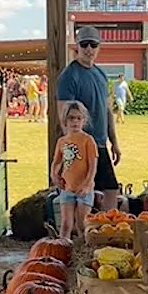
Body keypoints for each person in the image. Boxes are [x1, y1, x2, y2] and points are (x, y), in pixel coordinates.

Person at [57, 26, 122, 211]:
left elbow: (107, 110)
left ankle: (106, 224)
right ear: (77, 46)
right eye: (84, 44)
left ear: (99, 47)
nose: (89, 49)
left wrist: (114, 142)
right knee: (81, 192)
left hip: (100, 144)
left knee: (110, 189)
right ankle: (85, 228)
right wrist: (74, 149)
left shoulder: (100, 75)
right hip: (81, 147)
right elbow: (64, 116)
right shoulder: (69, 76)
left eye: (93, 44)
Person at [49, 101, 99, 241]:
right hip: (68, 188)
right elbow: (57, 162)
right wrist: (54, 175)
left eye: (78, 118)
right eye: (71, 118)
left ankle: (83, 249)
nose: (75, 122)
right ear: (65, 120)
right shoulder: (62, 141)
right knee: (65, 224)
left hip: (84, 189)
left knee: (82, 224)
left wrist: (87, 184)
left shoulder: (88, 140)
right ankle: (62, 247)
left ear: (84, 120)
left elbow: (92, 166)